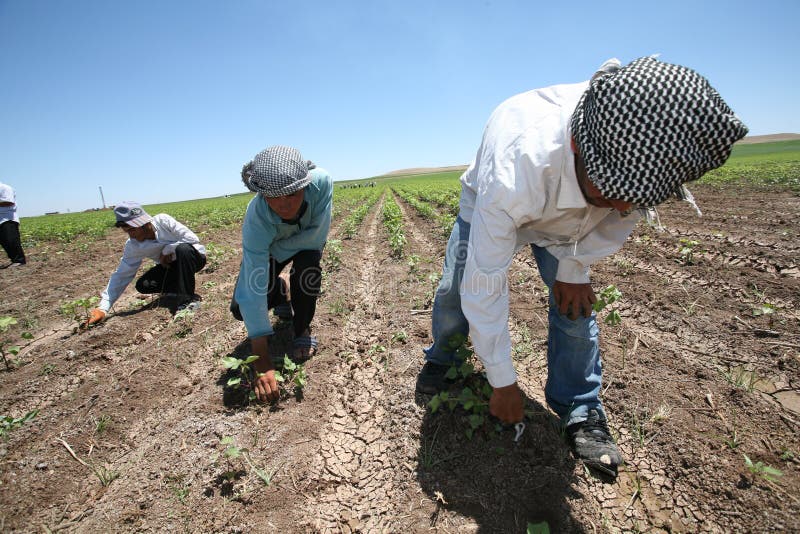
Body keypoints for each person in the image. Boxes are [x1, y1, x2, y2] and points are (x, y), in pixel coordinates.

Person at [416, 56, 748, 476]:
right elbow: (486, 282)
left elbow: (615, 219)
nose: (625, 206)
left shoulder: (637, 159)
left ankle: (580, 405)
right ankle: (444, 358)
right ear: (578, 146)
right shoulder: (516, 168)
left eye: (637, 197)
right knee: (455, 290)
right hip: (490, 205)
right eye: (612, 190)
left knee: (576, 310)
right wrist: (502, 381)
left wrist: (575, 267)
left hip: (568, 228)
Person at [230, 145, 333, 403]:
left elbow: (315, 237)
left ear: (305, 185)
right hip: (271, 250)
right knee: (240, 308)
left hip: (305, 246)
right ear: (262, 195)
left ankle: (302, 330)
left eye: (292, 194)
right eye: (273, 197)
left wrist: (277, 250)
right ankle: (282, 291)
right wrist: (262, 361)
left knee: (308, 270)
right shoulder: (256, 218)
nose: (284, 205)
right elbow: (251, 288)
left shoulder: (322, 183)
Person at [85, 201, 207, 325]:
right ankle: (179, 289)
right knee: (143, 285)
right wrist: (103, 308)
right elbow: (122, 274)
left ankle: (187, 301)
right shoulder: (133, 245)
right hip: (171, 267)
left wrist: (167, 250)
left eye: (133, 230)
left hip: (194, 259)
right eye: (127, 231)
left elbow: (192, 239)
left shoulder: (163, 221)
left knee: (183, 249)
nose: (131, 235)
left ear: (144, 223)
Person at [0, 182, 26, 267]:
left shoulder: (5, 188)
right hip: (1, 219)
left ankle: (19, 260)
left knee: (11, 240)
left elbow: (9, 202)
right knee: (5, 242)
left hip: (8, 218)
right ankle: (14, 260)